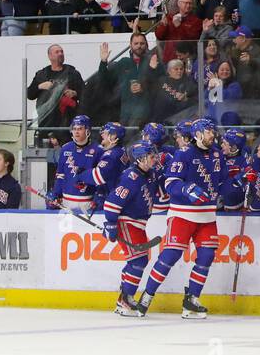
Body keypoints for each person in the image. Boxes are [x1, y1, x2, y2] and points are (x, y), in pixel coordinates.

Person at [136, 118, 225, 318]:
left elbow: (224, 181)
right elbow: (170, 183)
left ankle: (191, 300)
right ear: (198, 134)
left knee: (207, 256)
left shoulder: (218, 154)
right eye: (208, 131)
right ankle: (147, 295)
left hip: (207, 215)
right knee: (171, 256)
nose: (212, 135)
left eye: (213, 131)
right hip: (183, 214)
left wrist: (240, 180)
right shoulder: (184, 154)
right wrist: (186, 188)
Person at [105, 140, 161, 317]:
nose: (155, 159)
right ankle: (125, 300)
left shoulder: (150, 175)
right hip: (127, 222)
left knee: (135, 261)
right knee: (139, 261)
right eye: (151, 156)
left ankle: (123, 299)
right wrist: (111, 224)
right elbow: (112, 203)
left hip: (138, 224)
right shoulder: (130, 177)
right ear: (140, 158)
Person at [26, 44, 85, 145]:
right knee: (49, 157)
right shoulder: (42, 74)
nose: (61, 54)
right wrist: (40, 86)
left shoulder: (72, 73)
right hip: (46, 124)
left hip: (68, 124)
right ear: (49, 56)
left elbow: (85, 93)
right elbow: (29, 95)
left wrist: (75, 93)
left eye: (62, 51)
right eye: (57, 52)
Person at [51, 115, 101, 212]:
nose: (76, 132)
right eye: (74, 129)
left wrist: (98, 198)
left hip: (87, 203)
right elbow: (60, 175)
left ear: (88, 130)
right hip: (66, 202)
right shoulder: (65, 148)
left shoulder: (98, 150)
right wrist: (56, 195)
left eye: (80, 128)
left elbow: (101, 179)